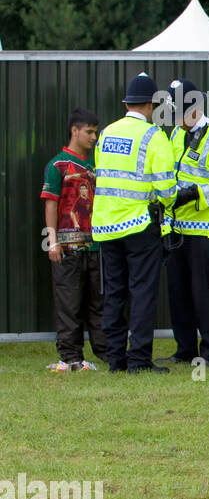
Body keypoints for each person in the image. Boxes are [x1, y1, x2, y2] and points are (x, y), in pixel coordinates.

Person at [91, 72, 177, 374]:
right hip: (140, 224)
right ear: (151, 105)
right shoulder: (154, 136)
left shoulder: (106, 134)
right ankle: (138, 360)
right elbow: (166, 189)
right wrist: (165, 201)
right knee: (141, 291)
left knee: (114, 292)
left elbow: (104, 174)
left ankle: (116, 359)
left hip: (105, 225)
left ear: (126, 102)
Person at [158, 77, 209, 368]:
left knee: (203, 292)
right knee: (178, 292)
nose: (175, 117)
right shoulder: (176, 135)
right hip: (176, 227)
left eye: (178, 111)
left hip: (204, 229)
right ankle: (184, 349)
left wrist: (193, 195)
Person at [41, 108, 107, 370]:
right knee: (69, 303)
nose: (94, 137)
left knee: (99, 302)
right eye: (89, 132)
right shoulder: (58, 164)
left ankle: (107, 354)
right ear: (74, 131)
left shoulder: (96, 166)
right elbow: (50, 205)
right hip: (66, 248)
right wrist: (52, 242)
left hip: (97, 245)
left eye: (95, 131)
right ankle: (70, 358)